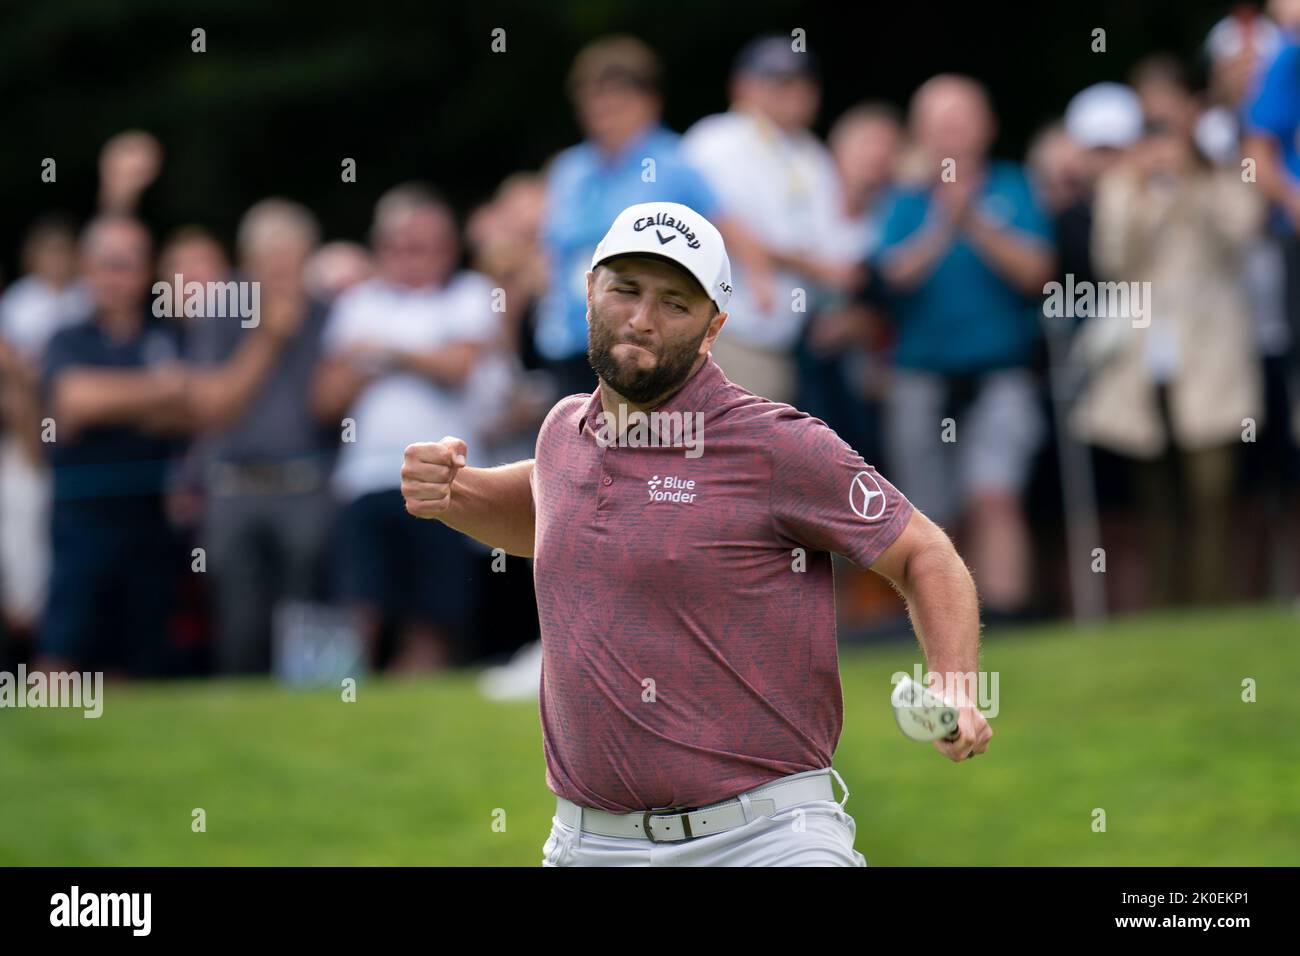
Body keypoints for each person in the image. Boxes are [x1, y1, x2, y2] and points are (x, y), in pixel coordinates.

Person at [401, 201, 991, 867]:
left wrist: (956, 688)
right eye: (625, 290)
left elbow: (923, 551)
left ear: (713, 328)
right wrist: (451, 491)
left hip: (765, 840)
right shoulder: (564, 430)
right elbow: (549, 512)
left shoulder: (775, 444)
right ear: (589, 290)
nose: (642, 319)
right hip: (588, 844)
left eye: (675, 304)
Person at [36, 216, 300, 675]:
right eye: (108, 264)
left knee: (138, 661)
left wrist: (121, 400)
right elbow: (75, 402)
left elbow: (211, 409)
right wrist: (164, 390)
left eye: (130, 265)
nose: (119, 277)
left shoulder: (168, 335)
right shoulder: (67, 336)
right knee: (62, 651)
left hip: (151, 521)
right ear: (88, 270)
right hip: (81, 520)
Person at [1074, 79, 1264, 607]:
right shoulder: (1123, 186)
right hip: (1144, 357)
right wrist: (1145, 192)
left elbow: (1242, 233)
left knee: (1212, 488)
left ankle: (1214, 602)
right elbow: (1114, 258)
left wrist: (1193, 182)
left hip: (1211, 353)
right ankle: (1163, 605)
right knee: (1155, 493)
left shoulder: (1219, 178)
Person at [873, 74, 1055, 619]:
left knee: (994, 495)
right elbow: (891, 277)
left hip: (1000, 372)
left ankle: (1004, 615)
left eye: (960, 122)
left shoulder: (1013, 186)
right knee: (927, 512)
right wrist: (941, 223)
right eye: (938, 125)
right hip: (921, 376)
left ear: (987, 127)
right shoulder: (903, 201)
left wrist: (973, 220)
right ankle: (939, 622)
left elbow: (1037, 273)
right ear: (920, 134)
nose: (950, 136)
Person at [313, 184, 497, 672]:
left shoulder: (469, 294)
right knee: (360, 602)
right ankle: (340, 695)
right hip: (365, 479)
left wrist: (384, 352)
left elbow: (458, 366)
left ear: (447, 249)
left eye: (422, 245)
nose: (409, 256)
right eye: (398, 245)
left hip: (443, 477)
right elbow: (326, 399)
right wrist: (413, 356)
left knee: (431, 615)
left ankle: (409, 694)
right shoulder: (357, 303)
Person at [187, 200, 337, 674]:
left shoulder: (328, 313)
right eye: (271, 265)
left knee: (307, 621)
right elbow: (214, 408)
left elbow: (330, 403)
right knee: (241, 625)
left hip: (307, 487)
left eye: (293, 264)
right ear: (246, 263)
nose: (283, 277)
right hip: (234, 488)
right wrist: (268, 337)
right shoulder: (222, 311)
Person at [536, 35, 723, 399]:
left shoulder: (676, 164)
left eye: (618, 100)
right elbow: (551, 249)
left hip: (644, 343)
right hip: (571, 339)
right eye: (595, 101)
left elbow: (724, 239)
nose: (604, 112)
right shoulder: (569, 169)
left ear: (649, 102)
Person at [680, 35, 862, 404]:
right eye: (778, 82)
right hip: (726, 330)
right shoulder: (715, 139)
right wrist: (806, 262)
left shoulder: (811, 155)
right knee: (729, 448)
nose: (794, 93)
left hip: (793, 338)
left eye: (803, 82)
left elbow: (837, 249)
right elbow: (707, 226)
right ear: (742, 85)